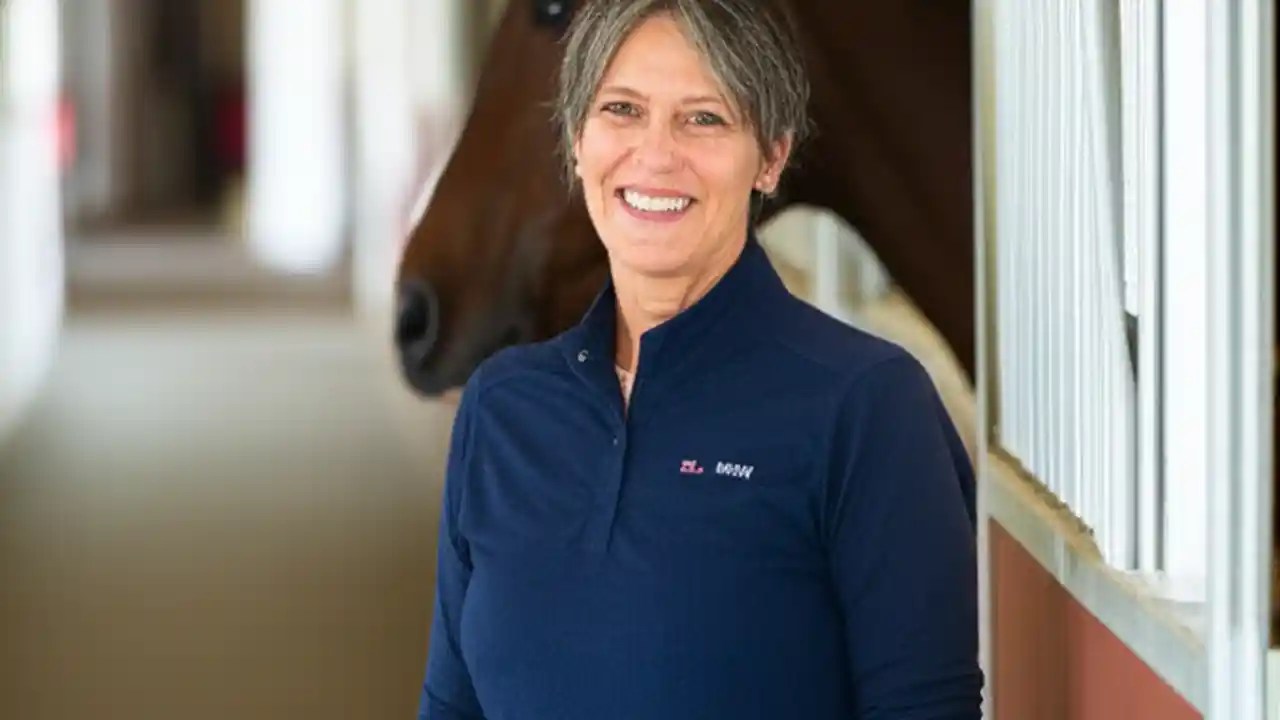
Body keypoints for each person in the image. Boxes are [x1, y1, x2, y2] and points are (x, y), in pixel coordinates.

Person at [417, 1, 982, 717]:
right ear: (576, 140)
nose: (656, 155)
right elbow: (451, 704)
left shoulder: (869, 406)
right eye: (622, 110)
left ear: (772, 157)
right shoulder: (503, 409)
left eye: (704, 117)